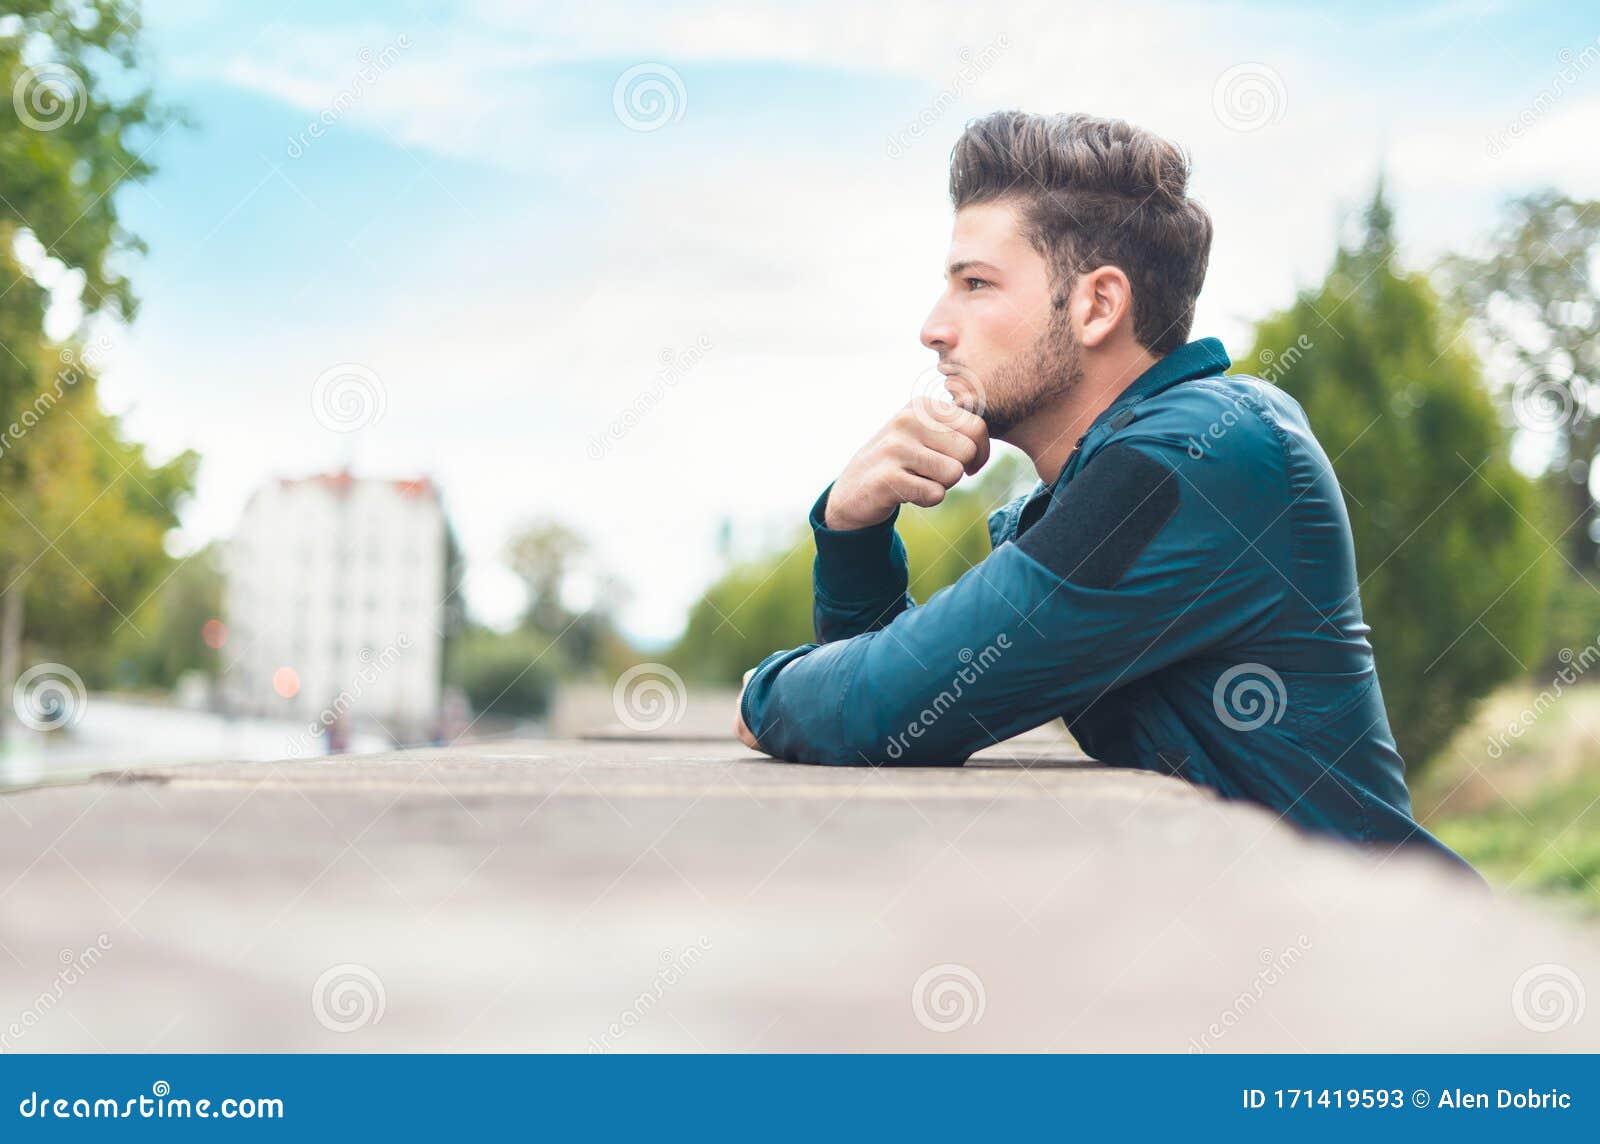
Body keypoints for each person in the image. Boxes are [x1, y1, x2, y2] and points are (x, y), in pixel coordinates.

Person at [734, 110, 1483, 885]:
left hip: (1386, 946)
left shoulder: (1194, 458)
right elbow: (910, 718)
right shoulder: (1109, 482)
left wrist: (763, 693)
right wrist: (853, 532)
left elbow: (882, 705)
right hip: (1265, 930)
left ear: (1097, 306)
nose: (934, 328)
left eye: (975, 284)